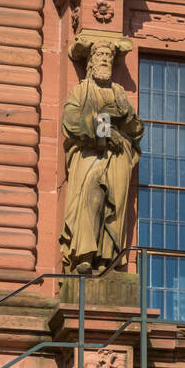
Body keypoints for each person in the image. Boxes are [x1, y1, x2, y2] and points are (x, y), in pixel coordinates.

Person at [60, 40, 144, 275]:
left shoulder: (118, 92)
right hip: (90, 154)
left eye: (108, 55)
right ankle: (85, 255)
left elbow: (136, 128)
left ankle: (107, 258)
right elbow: (71, 120)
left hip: (118, 157)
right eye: (101, 56)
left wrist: (125, 119)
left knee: (114, 204)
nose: (105, 59)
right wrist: (106, 129)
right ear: (91, 62)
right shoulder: (81, 90)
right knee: (92, 193)